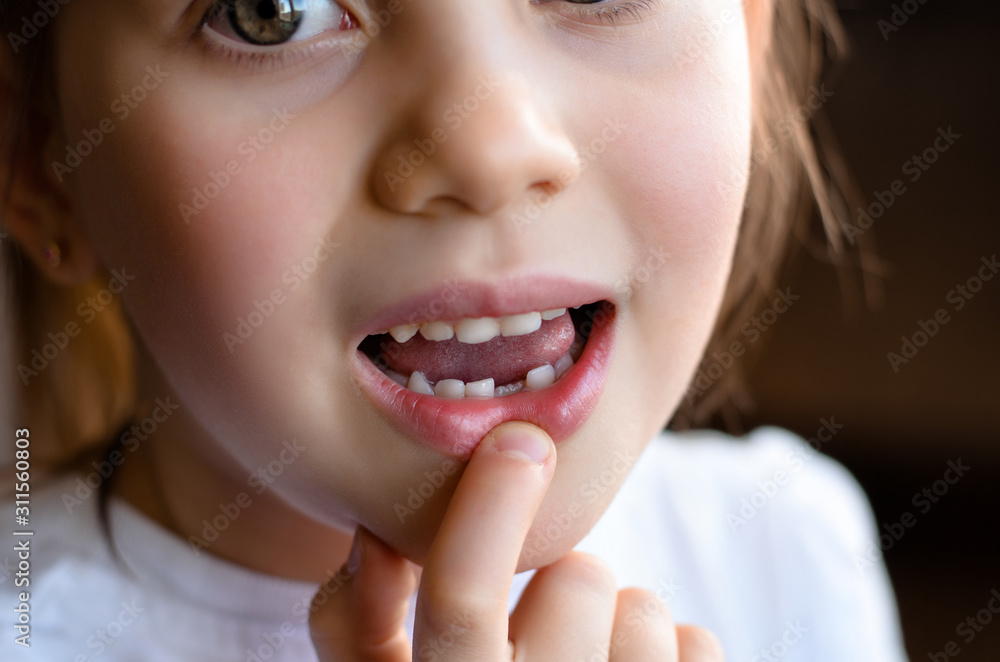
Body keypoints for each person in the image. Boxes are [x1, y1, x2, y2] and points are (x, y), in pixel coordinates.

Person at [0, 0, 909, 659]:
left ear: (746, 47)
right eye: (273, 13)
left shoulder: (789, 551)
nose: (490, 148)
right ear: (38, 156)